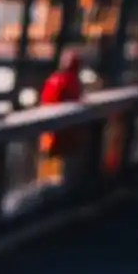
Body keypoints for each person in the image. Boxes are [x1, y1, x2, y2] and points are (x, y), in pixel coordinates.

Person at [39, 51, 86, 183]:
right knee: (62, 174)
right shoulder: (73, 82)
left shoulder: (55, 80)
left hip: (53, 135)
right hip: (66, 135)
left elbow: (45, 102)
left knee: (50, 174)